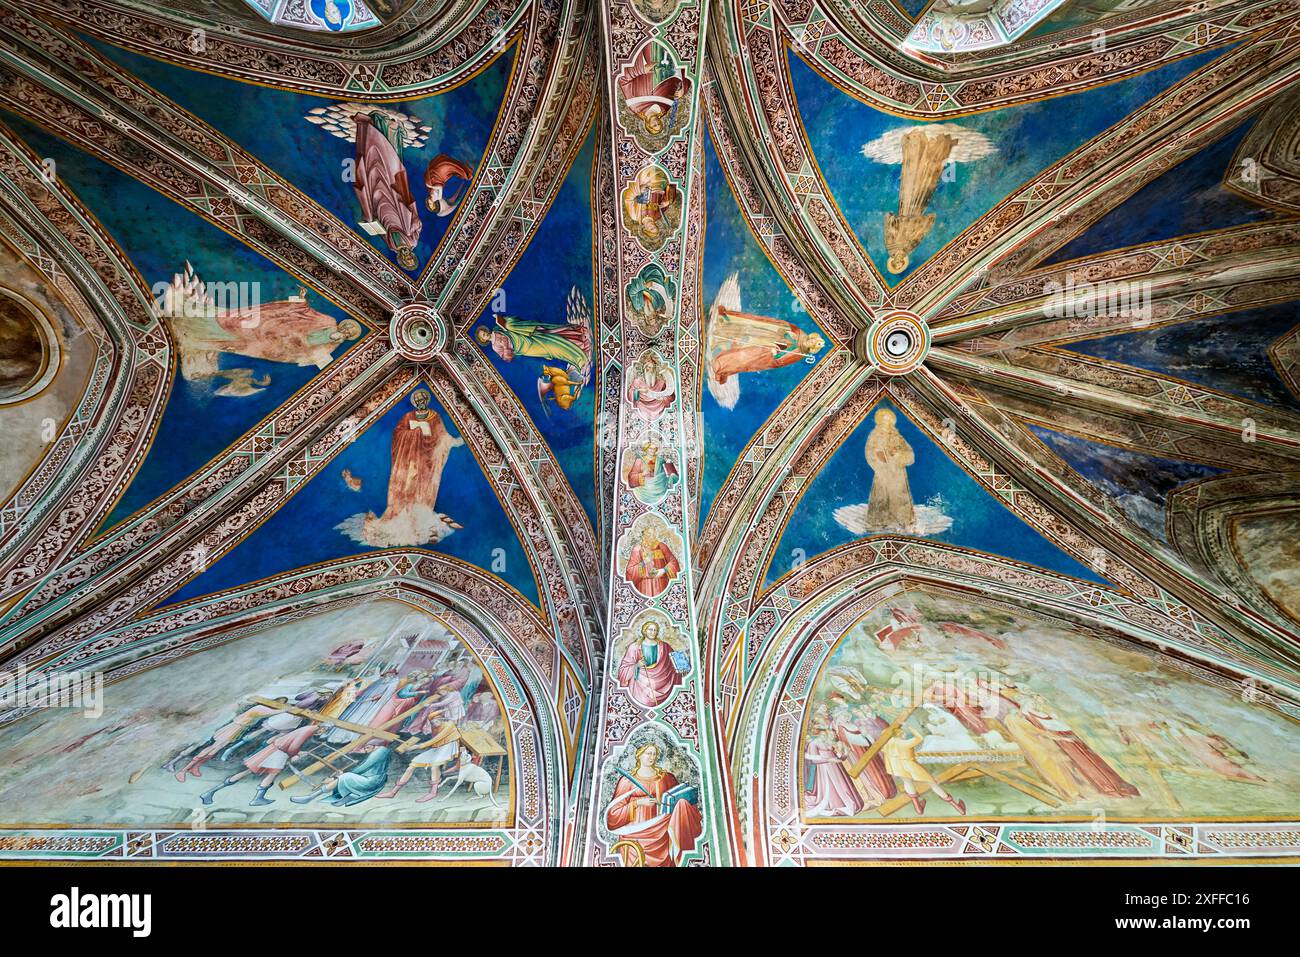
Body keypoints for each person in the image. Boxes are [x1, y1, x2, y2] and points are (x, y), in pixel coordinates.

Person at [604, 744, 702, 866]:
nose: (652, 757)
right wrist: (637, 803)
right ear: (639, 755)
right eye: (648, 753)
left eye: (654, 754)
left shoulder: (666, 778)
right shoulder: (627, 781)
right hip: (636, 832)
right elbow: (613, 815)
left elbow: (678, 798)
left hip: (662, 831)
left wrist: (669, 803)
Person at [353, 110, 422, 270]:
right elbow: (418, 224)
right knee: (390, 169)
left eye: (406, 261)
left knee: (371, 174)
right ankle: (386, 129)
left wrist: (371, 223)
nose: (407, 258)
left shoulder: (392, 246)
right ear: (413, 256)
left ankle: (367, 128)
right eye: (411, 259)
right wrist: (411, 225)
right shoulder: (413, 241)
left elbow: (382, 232)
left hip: (380, 209)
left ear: (402, 260)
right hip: (398, 207)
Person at [880, 720, 966, 816]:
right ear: (899, 735)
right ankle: (958, 808)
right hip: (910, 766)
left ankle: (918, 809)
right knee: (932, 783)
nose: (904, 735)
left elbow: (885, 734)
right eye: (902, 734)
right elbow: (919, 738)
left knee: (907, 782)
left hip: (897, 766)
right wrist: (909, 727)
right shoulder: (904, 743)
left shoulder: (888, 743)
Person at [864, 408, 916, 532]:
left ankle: (902, 521)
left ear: (891, 422)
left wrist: (897, 454)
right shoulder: (874, 435)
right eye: (883, 420)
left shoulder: (897, 436)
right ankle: (878, 522)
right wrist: (878, 455)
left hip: (897, 472)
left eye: (888, 421)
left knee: (898, 494)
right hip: (883, 471)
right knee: (881, 494)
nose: (885, 423)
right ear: (879, 421)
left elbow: (909, 453)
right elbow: (869, 451)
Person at [617, 619, 685, 708]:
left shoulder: (665, 646)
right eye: (650, 630)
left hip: (664, 682)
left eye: (655, 630)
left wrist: (683, 665)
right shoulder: (634, 647)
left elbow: (677, 661)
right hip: (641, 684)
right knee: (644, 702)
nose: (653, 632)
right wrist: (637, 665)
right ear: (644, 631)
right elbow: (624, 668)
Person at [804, 725, 863, 816]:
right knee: (831, 785)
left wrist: (845, 753)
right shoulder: (813, 743)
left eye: (825, 733)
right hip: (825, 768)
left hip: (836, 767)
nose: (824, 736)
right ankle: (835, 804)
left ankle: (846, 801)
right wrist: (829, 760)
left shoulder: (829, 742)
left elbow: (840, 756)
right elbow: (814, 760)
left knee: (842, 784)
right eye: (822, 734)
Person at [624, 524, 681, 597]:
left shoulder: (661, 546)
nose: (652, 537)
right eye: (649, 534)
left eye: (653, 534)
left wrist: (664, 570)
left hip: (661, 584)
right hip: (644, 586)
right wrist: (643, 563)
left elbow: (673, 562)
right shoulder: (637, 549)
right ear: (643, 535)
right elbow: (630, 570)